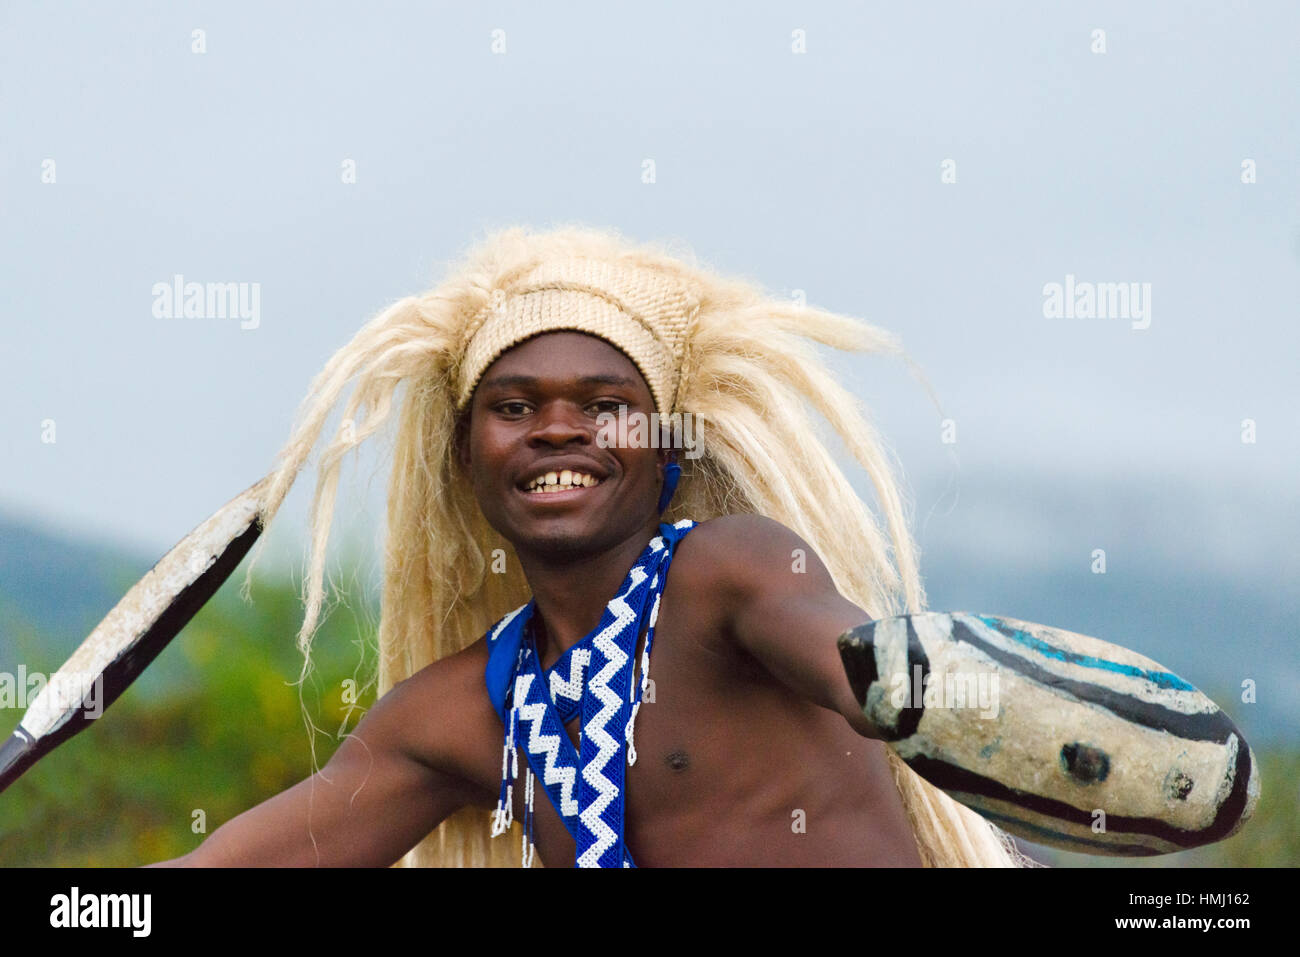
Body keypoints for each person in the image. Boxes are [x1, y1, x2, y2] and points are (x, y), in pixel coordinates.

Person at [154, 224, 1032, 867]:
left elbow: (872, 669)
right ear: (466, 456)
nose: (558, 431)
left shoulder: (732, 574)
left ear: (668, 447)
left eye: (605, 405)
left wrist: (1024, 717)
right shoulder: (466, 712)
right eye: (514, 407)